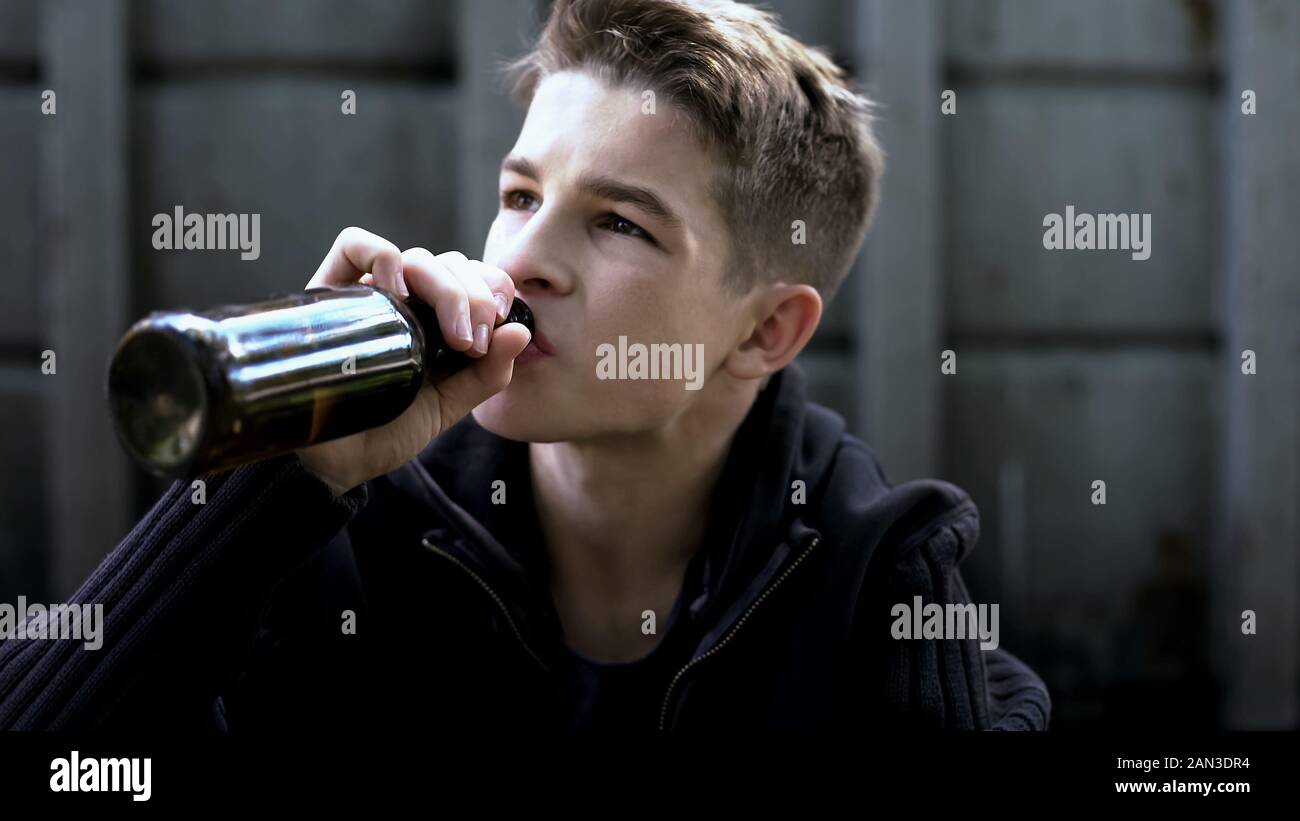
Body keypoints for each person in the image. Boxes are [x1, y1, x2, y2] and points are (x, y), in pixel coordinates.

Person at [0, 0, 1048, 732]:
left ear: (764, 332)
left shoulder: (882, 583)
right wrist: (284, 473)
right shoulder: (353, 535)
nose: (524, 259)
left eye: (621, 224)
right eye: (519, 196)